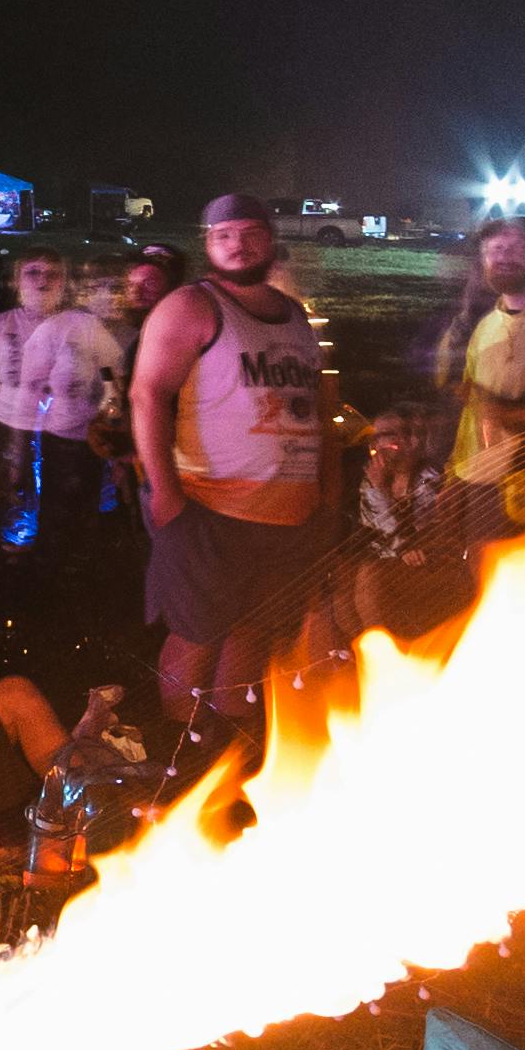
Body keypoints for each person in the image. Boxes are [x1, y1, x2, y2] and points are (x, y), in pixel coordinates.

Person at [130, 192, 336, 742]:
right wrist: (165, 494)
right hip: (210, 505)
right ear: (208, 245)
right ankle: (177, 749)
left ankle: (225, 747)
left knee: (252, 631)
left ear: (271, 240)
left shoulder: (293, 315)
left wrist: (325, 490)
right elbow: (147, 395)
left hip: (287, 516)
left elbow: (317, 405)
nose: (237, 245)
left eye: (249, 233)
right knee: (197, 633)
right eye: (224, 236)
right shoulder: (192, 306)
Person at [0, 243, 128, 566]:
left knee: (69, 520)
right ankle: (17, 582)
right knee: (13, 516)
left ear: (64, 282)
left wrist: (111, 429)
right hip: (12, 434)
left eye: (52, 274)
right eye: (33, 273)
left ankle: (64, 580)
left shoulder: (85, 326)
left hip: (73, 440)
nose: (42, 281)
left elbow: (113, 379)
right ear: (17, 280)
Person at [431, 214, 525, 537]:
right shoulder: (484, 326)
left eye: (519, 248)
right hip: (480, 484)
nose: (504, 256)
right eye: (494, 249)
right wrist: (455, 477)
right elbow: (470, 411)